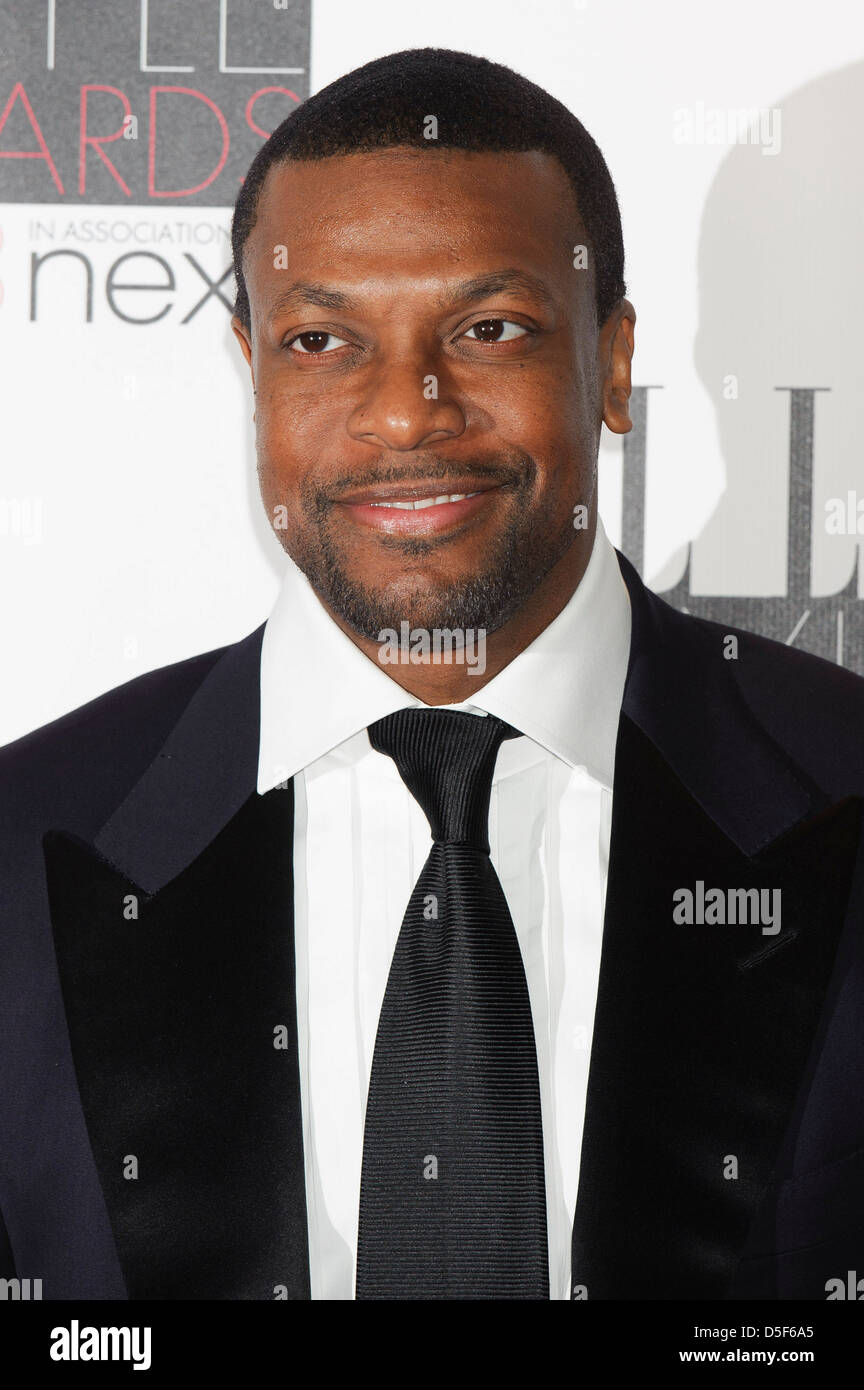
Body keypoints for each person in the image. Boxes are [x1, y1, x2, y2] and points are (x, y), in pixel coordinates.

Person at [2, 47, 863, 1303]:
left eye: (489, 328)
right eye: (321, 339)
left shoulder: (837, 780)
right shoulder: (26, 844)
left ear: (612, 363)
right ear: (252, 372)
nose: (406, 412)